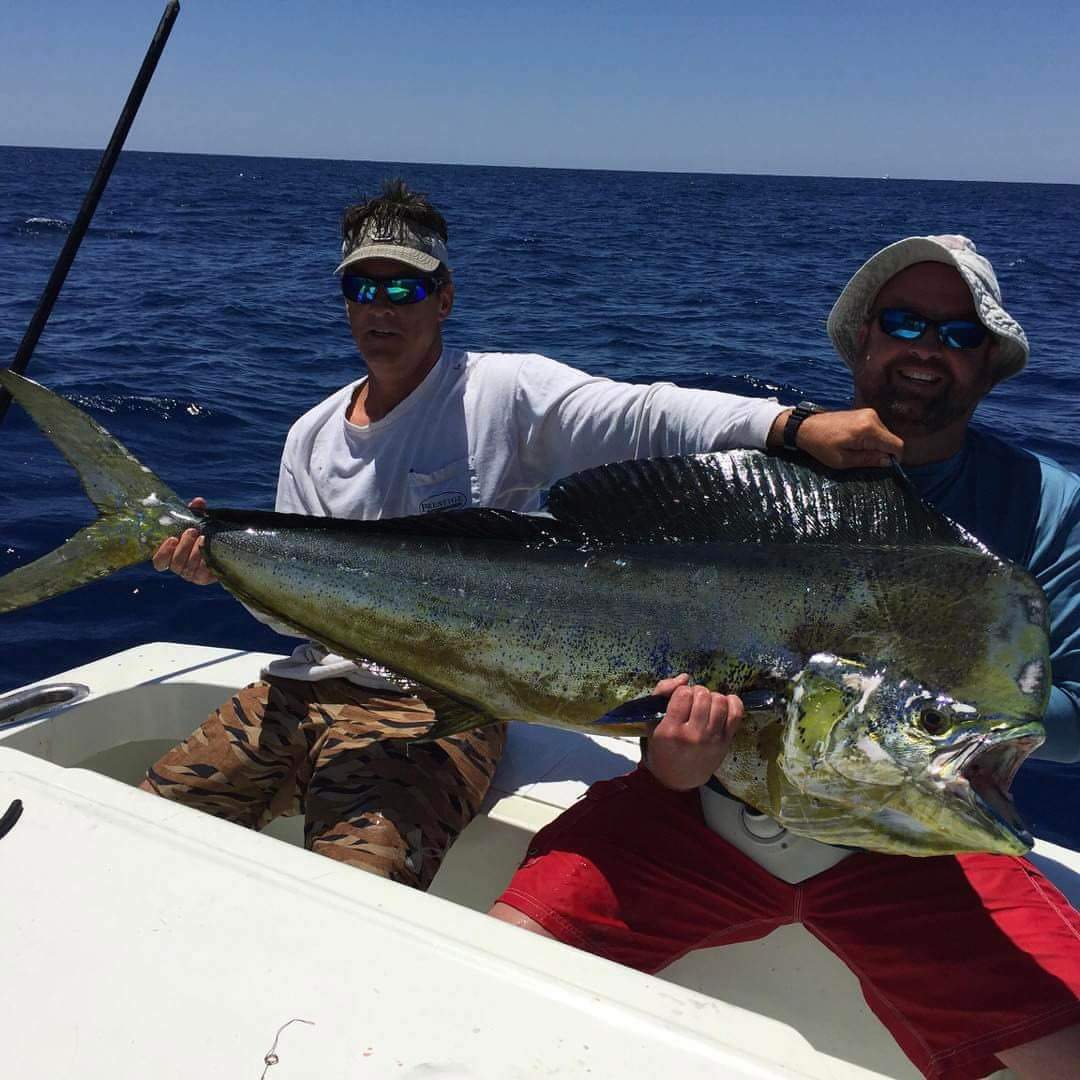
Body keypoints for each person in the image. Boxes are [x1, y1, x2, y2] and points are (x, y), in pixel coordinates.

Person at [142, 178, 901, 891]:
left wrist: (789, 427)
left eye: (404, 286)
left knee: (355, 898)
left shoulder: (501, 391)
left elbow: (640, 414)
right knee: (140, 825)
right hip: (302, 686)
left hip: (439, 701)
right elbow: (289, 615)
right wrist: (220, 570)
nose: (382, 306)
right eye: (361, 287)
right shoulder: (311, 433)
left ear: (444, 298)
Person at [490, 235, 1080, 1080]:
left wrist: (960, 722)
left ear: (992, 361)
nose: (925, 349)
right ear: (863, 339)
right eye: (905, 322)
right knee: (494, 962)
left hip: (921, 844)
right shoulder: (758, 475)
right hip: (699, 809)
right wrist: (671, 755)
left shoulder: (1049, 507)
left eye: (957, 334)